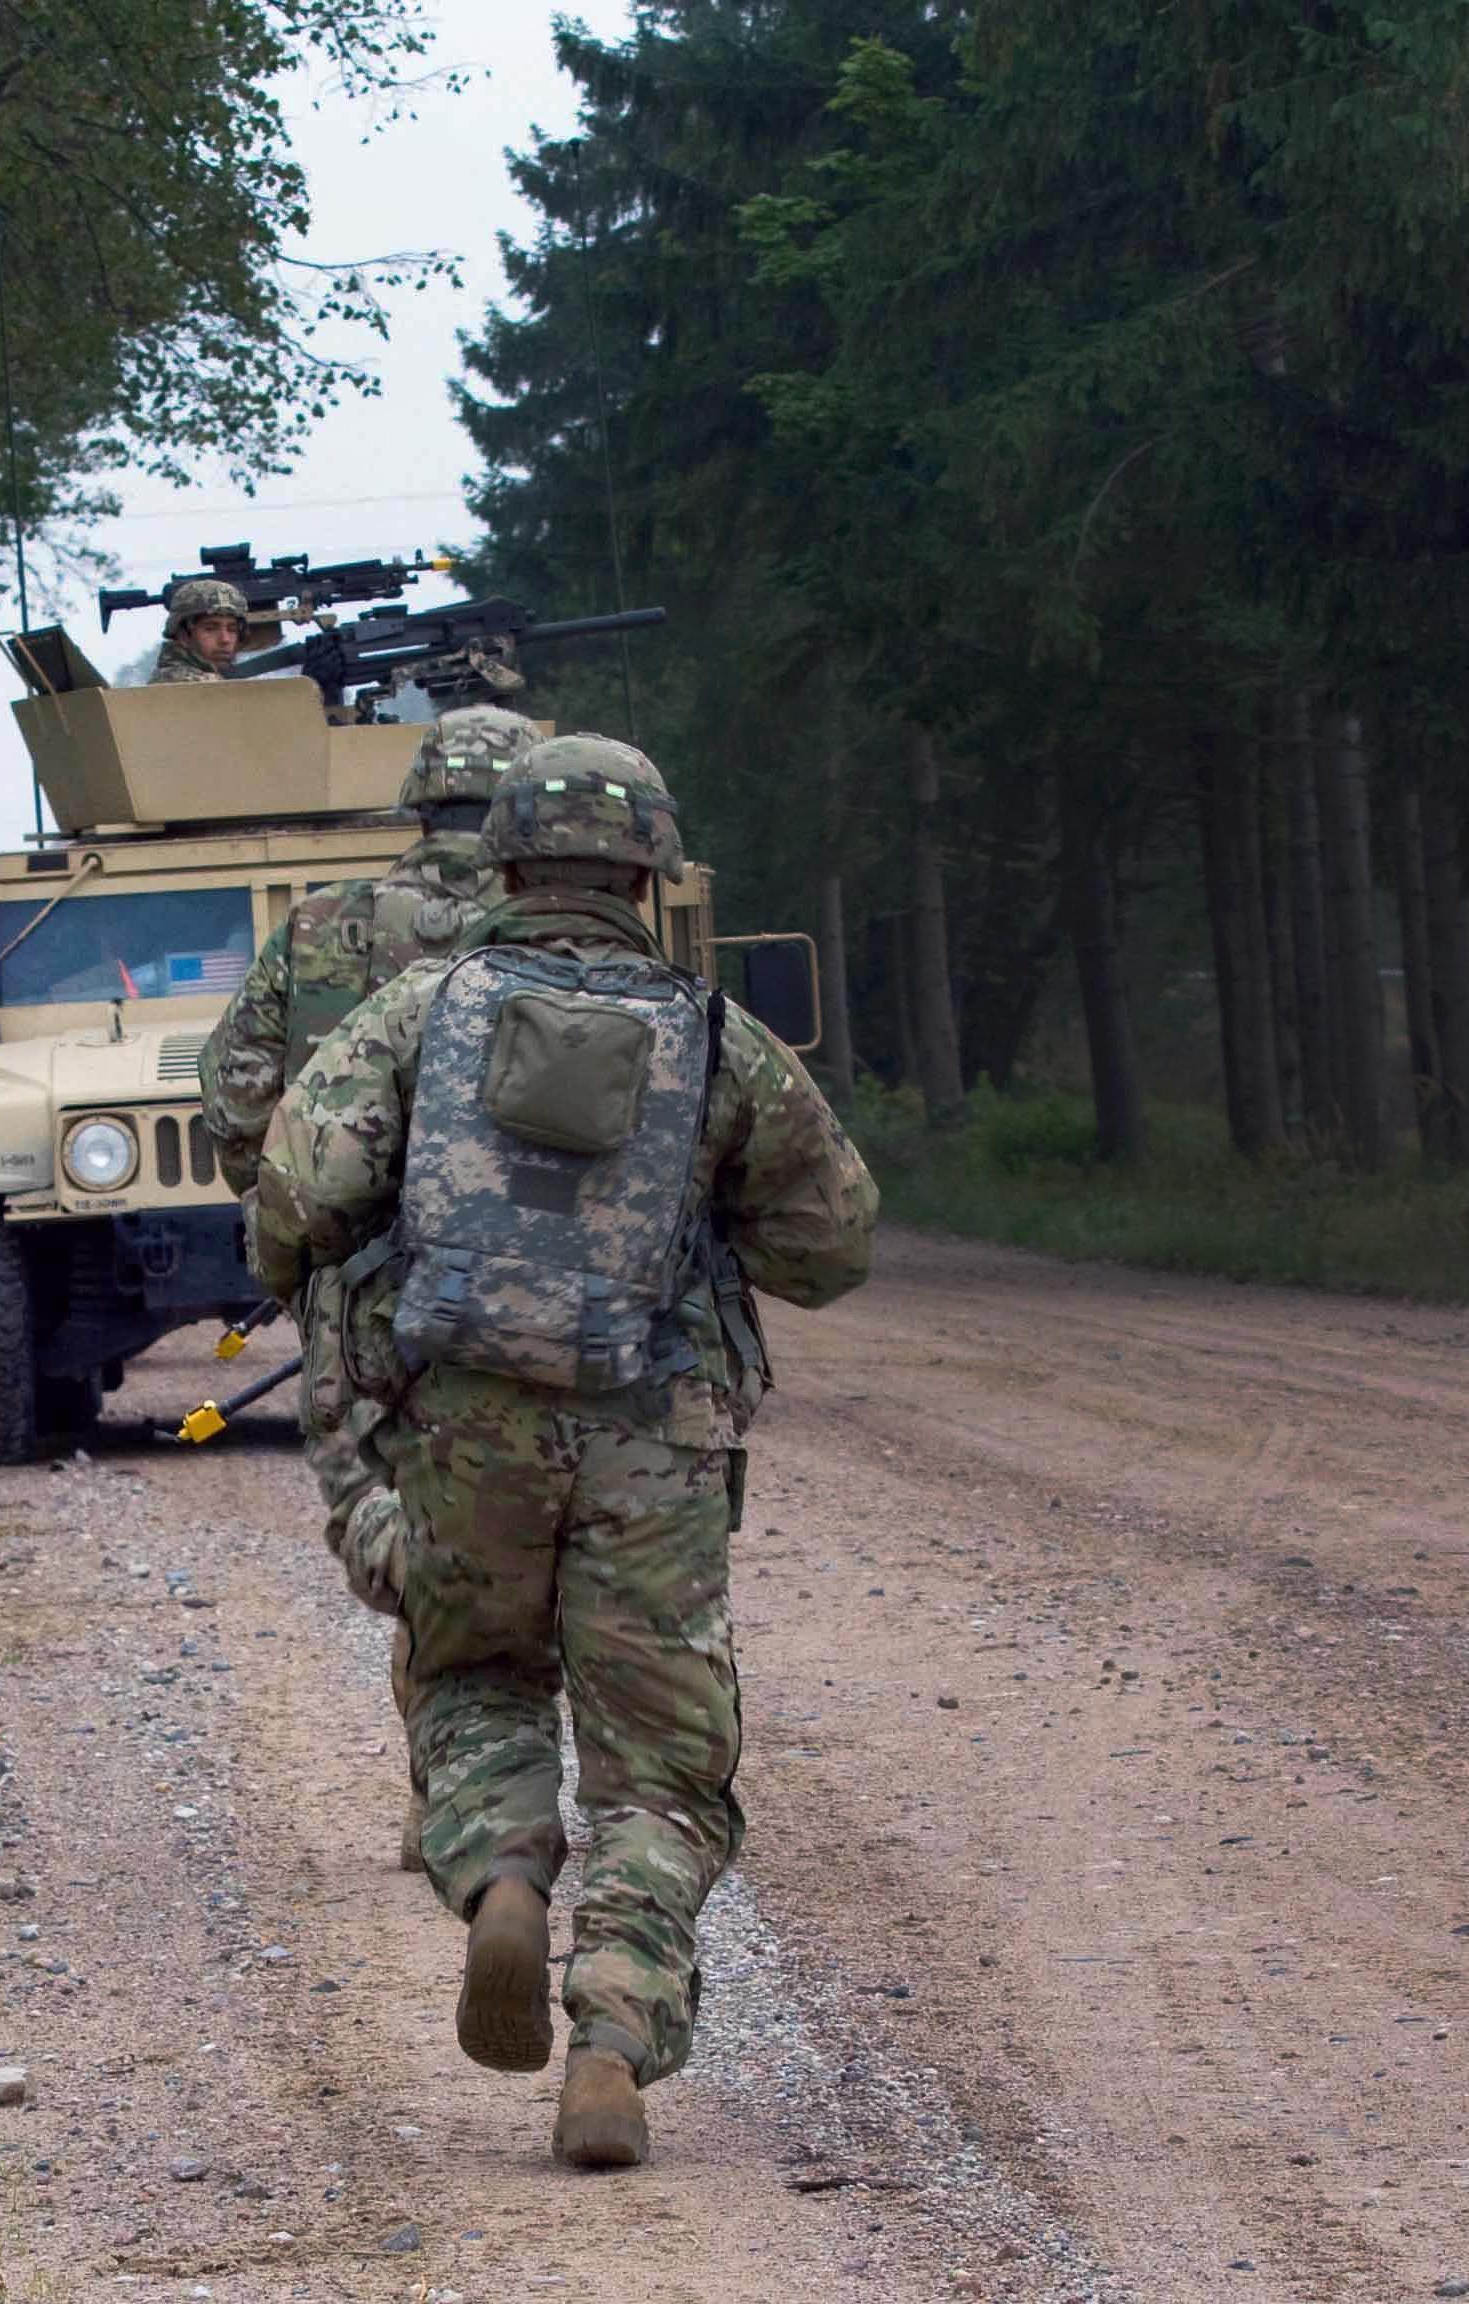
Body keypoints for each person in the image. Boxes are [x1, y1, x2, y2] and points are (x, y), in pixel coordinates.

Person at [249, 735, 879, 2170]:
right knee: (661, 1765)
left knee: (475, 1675)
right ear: (650, 876)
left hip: (469, 1421)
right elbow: (832, 1244)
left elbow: (294, 1189)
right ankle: (611, 2032)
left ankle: (503, 1885)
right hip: (657, 1439)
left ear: (507, 866)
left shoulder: (418, 1015)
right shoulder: (721, 1038)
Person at [199, 704, 541, 1873]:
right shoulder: (556, 938)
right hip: (537, 1284)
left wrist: (301, 1226)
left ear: (416, 802)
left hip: (365, 1288)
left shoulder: (325, 927)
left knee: (406, 1532)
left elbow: (239, 1093)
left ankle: (448, 1791)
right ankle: (526, 1792)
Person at [147, 576, 249, 684]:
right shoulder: (189, 682)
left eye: (232, 629)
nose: (225, 639)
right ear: (182, 633)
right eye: (210, 629)